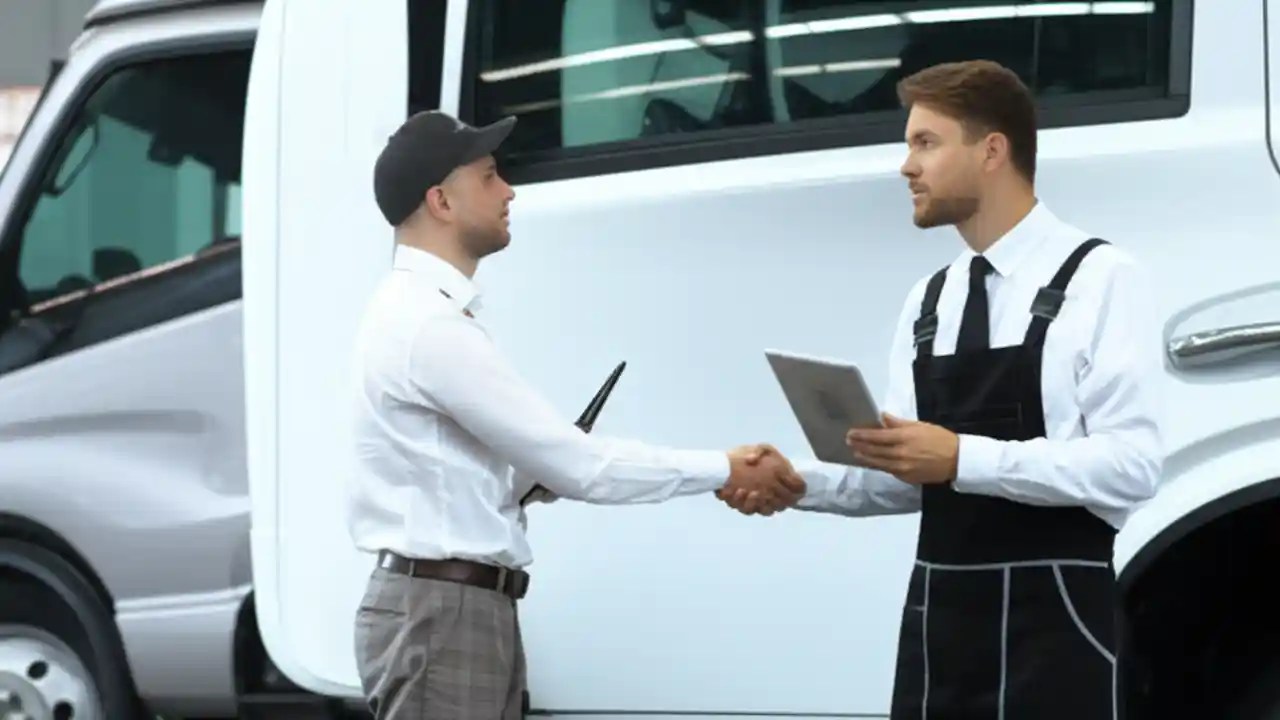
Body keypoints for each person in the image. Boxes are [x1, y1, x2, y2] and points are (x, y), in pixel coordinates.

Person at [721, 60, 1163, 719]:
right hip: (939, 621)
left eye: (925, 143)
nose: (905, 166)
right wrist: (798, 483)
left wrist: (960, 457)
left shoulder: (1102, 278)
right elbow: (906, 482)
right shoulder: (930, 301)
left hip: (1060, 620)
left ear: (992, 151)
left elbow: (1132, 466)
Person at [346, 109, 806, 720]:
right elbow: (583, 467)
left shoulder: (418, 313)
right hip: (444, 611)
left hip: (448, 607)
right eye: (488, 177)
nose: (508, 191)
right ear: (441, 201)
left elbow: (458, 474)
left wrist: (529, 477)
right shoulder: (429, 325)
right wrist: (724, 467)